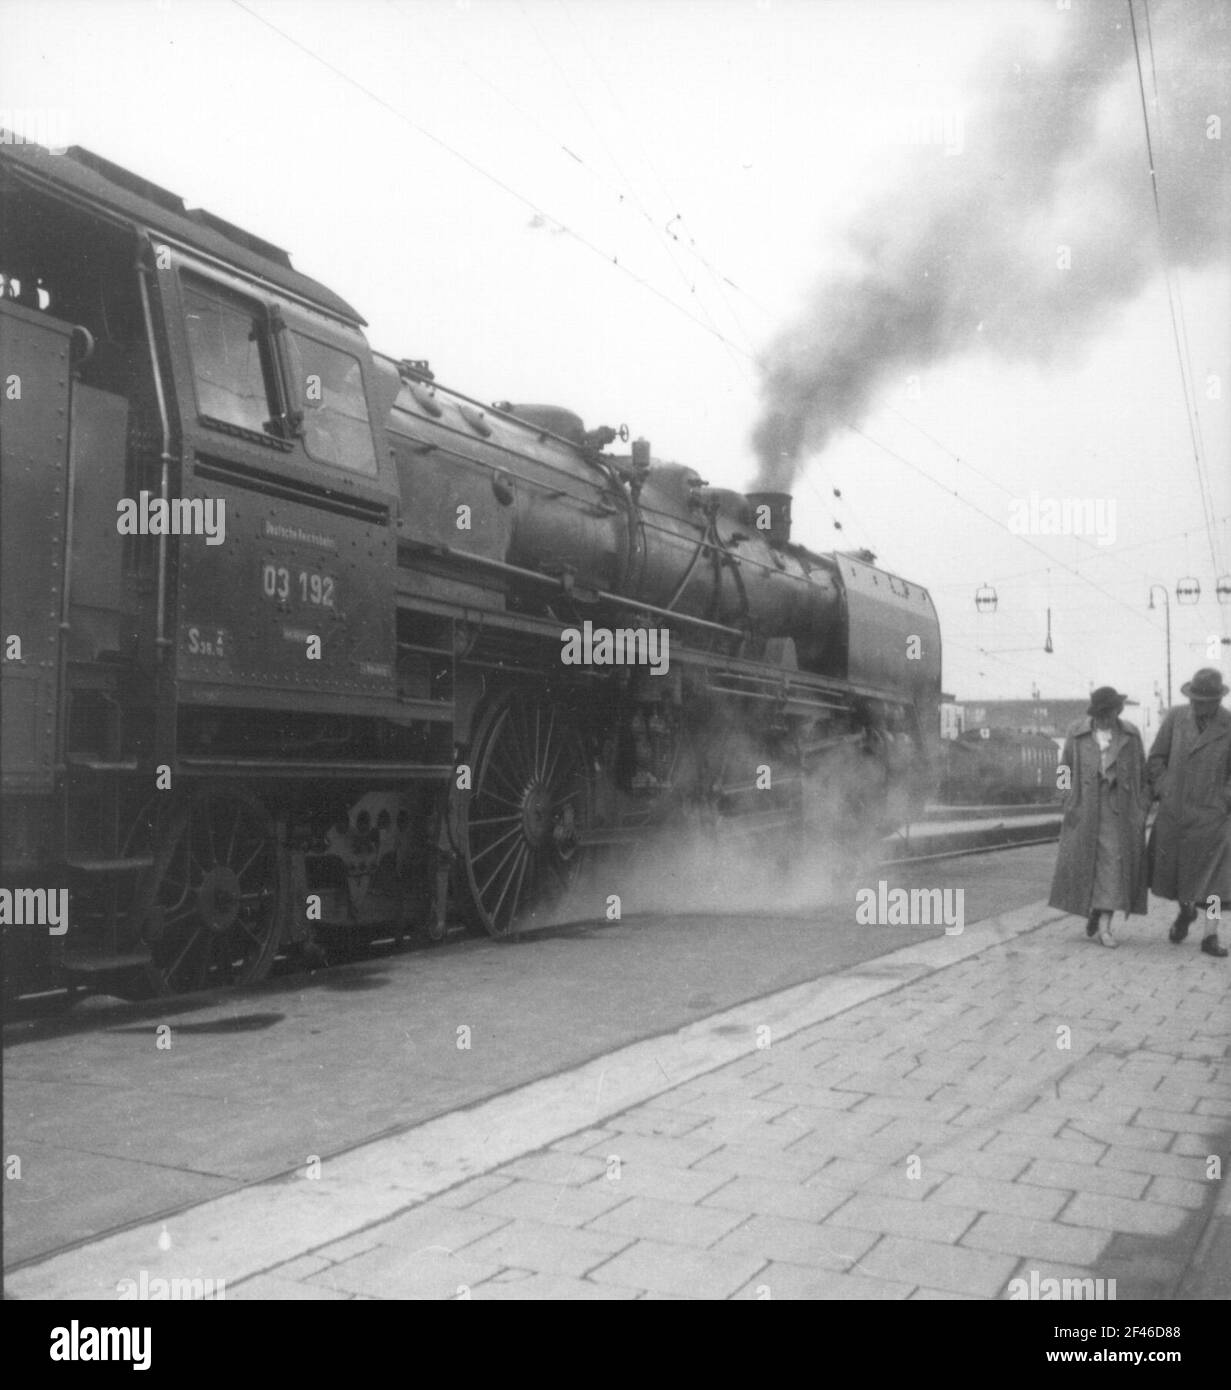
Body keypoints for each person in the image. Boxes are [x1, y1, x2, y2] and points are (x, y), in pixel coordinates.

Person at [1048, 686, 1148, 948]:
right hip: (1086, 811)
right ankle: (1093, 910)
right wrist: (1066, 798)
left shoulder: (1130, 734)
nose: (1105, 718)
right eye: (1101, 713)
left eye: (1110, 713)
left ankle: (1105, 927)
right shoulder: (1077, 732)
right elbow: (1064, 768)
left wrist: (1141, 806)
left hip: (1120, 814)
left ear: (1118, 711)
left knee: (1114, 869)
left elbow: (1143, 773)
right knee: (1088, 866)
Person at [1146, 667, 1230, 959]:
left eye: (1202, 700)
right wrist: (1165, 786)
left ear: (1217, 700)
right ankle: (1186, 912)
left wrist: (1224, 797)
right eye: (1193, 698)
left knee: (1217, 886)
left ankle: (1211, 934)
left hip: (1213, 818)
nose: (1196, 704)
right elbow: (1156, 758)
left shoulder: (1229, 724)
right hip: (1177, 813)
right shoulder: (1175, 718)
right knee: (1179, 878)